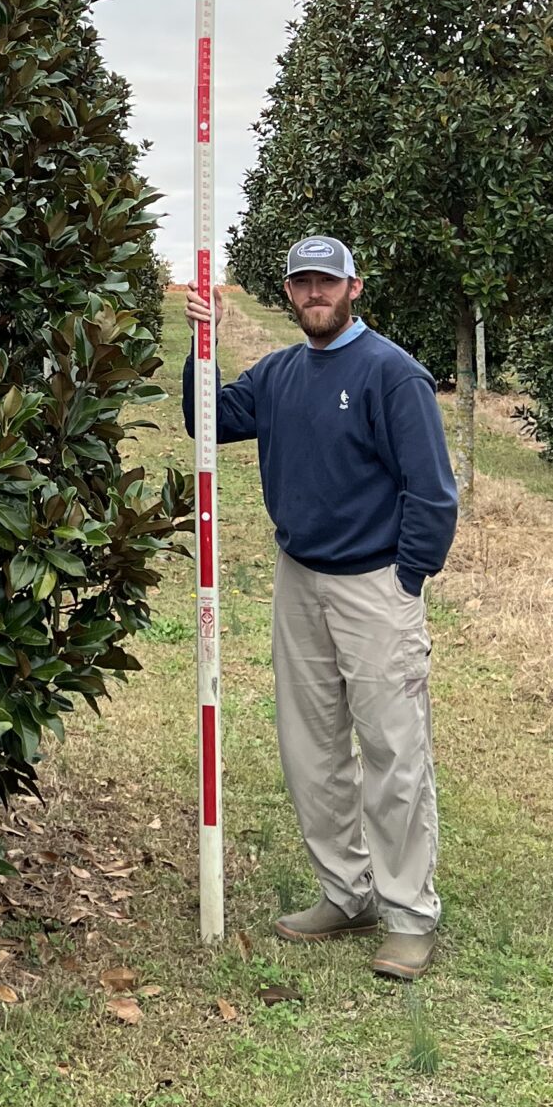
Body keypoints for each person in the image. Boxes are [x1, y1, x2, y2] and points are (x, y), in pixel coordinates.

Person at [184, 234, 458, 981]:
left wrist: (408, 578)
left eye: (327, 283)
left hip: (375, 587)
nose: (315, 294)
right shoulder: (279, 374)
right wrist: (199, 345)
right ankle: (348, 893)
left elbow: (432, 492)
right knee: (312, 749)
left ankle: (408, 915)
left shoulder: (392, 374)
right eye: (302, 283)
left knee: (393, 753)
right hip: (298, 581)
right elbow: (206, 419)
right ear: (289, 292)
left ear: (354, 288)